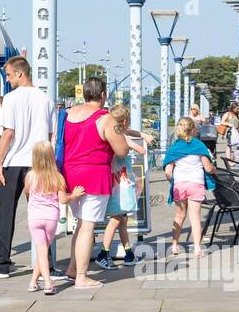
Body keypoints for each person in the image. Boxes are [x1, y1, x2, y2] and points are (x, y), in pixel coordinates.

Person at [0, 55, 56, 278]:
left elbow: (8, 132)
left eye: (8, 75)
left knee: (7, 213)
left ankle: (2, 265)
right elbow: (52, 136)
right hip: (38, 163)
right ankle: (48, 266)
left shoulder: (12, 99)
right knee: (44, 212)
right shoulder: (46, 99)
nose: (7, 79)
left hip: (14, 162)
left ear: (19, 74)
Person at [58, 78, 128, 288]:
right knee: (88, 227)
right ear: (103, 94)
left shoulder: (68, 114)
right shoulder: (105, 119)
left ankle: (72, 269)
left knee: (80, 224)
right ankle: (81, 276)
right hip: (94, 176)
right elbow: (121, 151)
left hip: (69, 174)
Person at [94, 104, 150, 271]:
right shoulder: (122, 138)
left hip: (115, 182)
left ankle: (128, 254)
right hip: (121, 185)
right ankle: (103, 254)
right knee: (117, 218)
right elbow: (141, 150)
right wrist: (138, 141)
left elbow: (128, 132)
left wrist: (142, 134)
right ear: (125, 121)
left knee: (122, 219)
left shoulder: (114, 132)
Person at [24, 142, 81, 295]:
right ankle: (38, 282)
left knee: (41, 251)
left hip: (34, 218)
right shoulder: (57, 178)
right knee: (43, 250)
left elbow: (27, 192)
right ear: (51, 157)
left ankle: (43, 283)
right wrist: (74, 195)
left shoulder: (30, 176)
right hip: (51, 219)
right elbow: (63, 200)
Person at [162, 116, 216, 259]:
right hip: (195, 183)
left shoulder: (175, 147)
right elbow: (208, 168)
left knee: (180, 215)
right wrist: (214, 170)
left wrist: (173, 180)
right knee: (195, 217)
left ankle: (174, 245)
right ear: (193, 129)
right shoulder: (199, 146)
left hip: (180, 184)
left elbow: (168, 171)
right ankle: (197, 249)